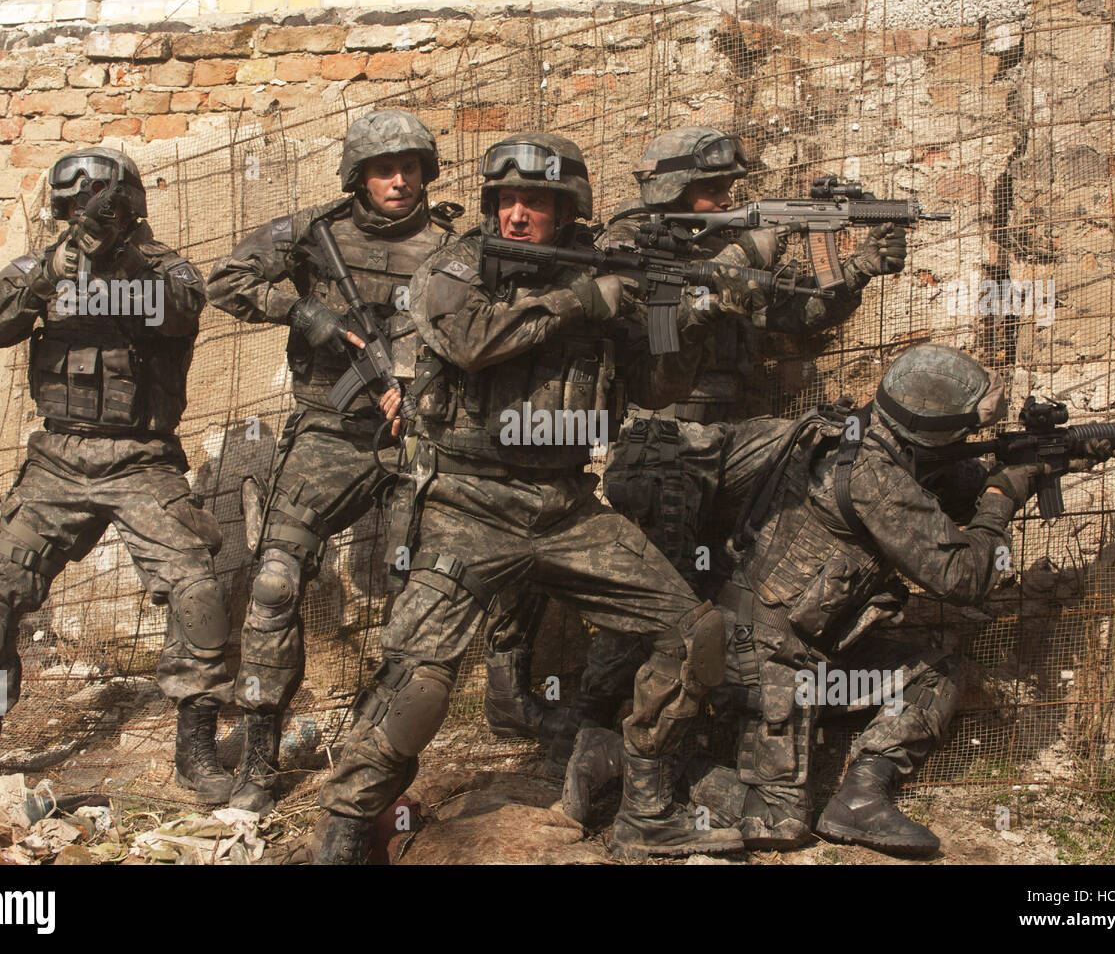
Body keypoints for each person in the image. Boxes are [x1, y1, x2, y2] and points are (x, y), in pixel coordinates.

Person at [301, 132, 743, 862]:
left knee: (695, 637)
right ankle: (347, 829)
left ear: (568, 209)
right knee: (418, 688)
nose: (515, 215)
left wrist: (683, 312)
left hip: (566, 506)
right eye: (505, 200)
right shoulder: (457, 265)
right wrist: (581, 301)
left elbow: (660, 387)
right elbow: (471, 341)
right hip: (466, 504)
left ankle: (647, 806)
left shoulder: (603, 269)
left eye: (535, 201)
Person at [529, 127, 906, 802]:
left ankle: (689, 744)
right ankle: (581, 741)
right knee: (653, 606)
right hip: (662, 444)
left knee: (806, 463)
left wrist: (858, 269)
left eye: (730, 188)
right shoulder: (627, 244)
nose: (726, 197)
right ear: (672, 189)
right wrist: (744, 253)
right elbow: (647, 329)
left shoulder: (736, 257)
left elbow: (799, 318)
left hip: (732, 442)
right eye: (712, 189)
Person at [684, 342, 1072, 855]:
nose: (968, 440)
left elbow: (941, 485)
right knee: (779, 823)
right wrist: (1001, 500)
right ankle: (650, 763)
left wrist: (1046, 457)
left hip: (804, 649)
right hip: (761, 661)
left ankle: (861, 798)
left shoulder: (853, 432)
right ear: (936, 432)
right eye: (963, 433)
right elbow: (963, 577)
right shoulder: (877, 477)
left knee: (932, 674)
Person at [0, 147, 233, 802]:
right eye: (75, 207)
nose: (87, 217)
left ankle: (196, 751)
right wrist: (56, 267)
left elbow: (182, 310)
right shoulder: (46, 266)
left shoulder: (167, 269)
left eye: (100, 205)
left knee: (198, 595)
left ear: (133, 208)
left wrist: (118, 262)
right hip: (58, 459)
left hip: (142, 459)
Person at [207, 110, 458, 813]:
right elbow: (224, 281)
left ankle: (385, 751)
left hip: (420, 436)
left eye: (411, 166)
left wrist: (422, 387)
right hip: (329, 432)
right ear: (357, 175)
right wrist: (299, 313)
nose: (400, 180)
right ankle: (259, 761)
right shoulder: (313, 234)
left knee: (436, 587)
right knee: (275, 584)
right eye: (384, 168)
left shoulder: (451, 244)